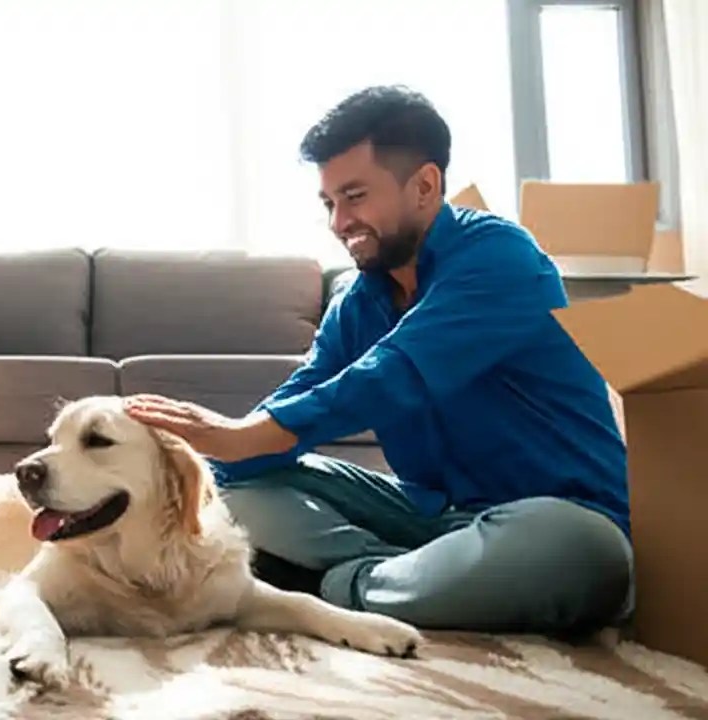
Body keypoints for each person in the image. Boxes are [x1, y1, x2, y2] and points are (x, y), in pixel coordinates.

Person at [124, 85, 633, 637]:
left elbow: (392, 374)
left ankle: (344, 587)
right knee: (232, 488)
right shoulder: (357, 300)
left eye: (356, 196)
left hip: (551, 519)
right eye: (329, 203)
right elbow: (296, 401)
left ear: (424, 186)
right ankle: (396, 579)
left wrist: (244, 436)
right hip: (426, 520)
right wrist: (208, 456)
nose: (339, 222)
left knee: (585, 548)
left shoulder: (500, 257)